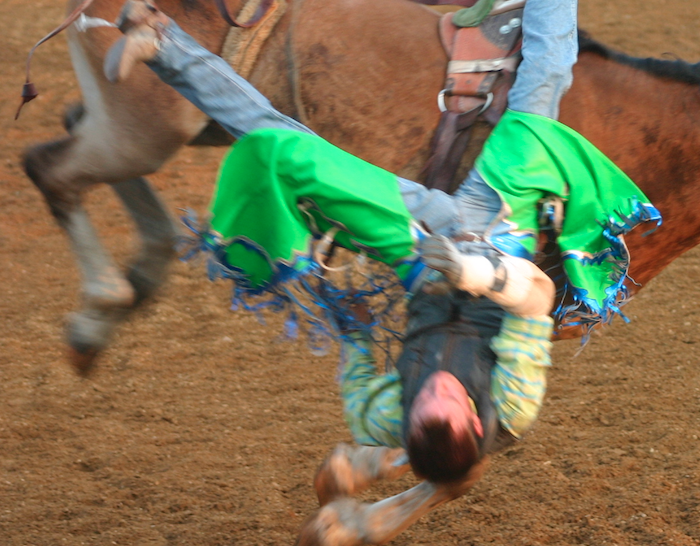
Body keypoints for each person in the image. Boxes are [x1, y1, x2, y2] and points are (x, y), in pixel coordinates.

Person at [107, 0, 659, 486]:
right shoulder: (513, 406)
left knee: (288, 148)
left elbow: (358, 384)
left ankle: (163, 41)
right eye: (445, 399)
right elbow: (538, 298)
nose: (432, 389)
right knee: (546, 80)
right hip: (499, 232)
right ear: (473, 421)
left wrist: (351, 326)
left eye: (422, 402)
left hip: (417, 256)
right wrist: (471, 272)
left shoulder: (386, 421)